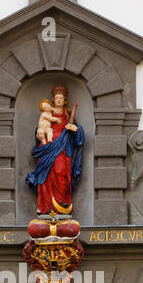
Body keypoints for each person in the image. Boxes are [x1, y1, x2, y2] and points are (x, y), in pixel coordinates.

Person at [26, 84, 84, 216]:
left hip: (62, 149)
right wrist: (40, 133)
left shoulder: (68, 114)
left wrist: (75, 129)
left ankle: (61, 202)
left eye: (61, 97)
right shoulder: (47, 113)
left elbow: (79, 134)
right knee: (46, 177)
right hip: (47, 148)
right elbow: (40, 128)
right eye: (56, 97)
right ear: (53, 100)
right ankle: (46, 206)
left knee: (60, 172)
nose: (58, 100)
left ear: (64, 100)